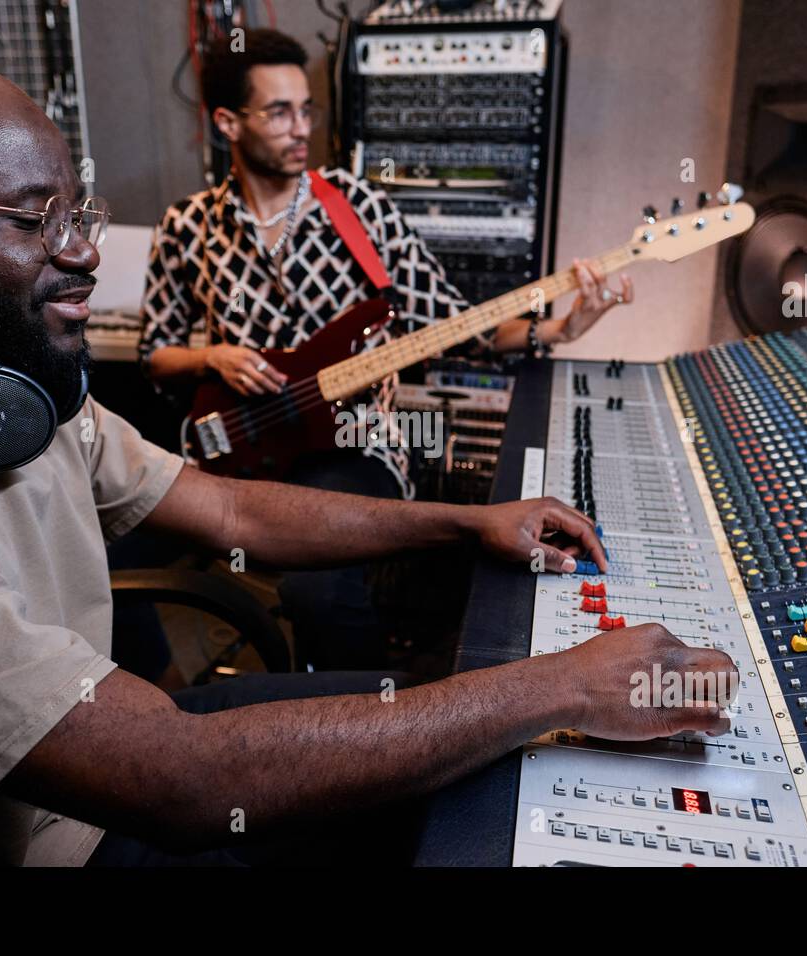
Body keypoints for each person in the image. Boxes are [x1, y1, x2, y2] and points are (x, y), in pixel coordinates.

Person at [0, 60, 734, 867]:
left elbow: (228, 512)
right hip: (78, 826)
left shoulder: (23, 402)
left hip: (132, 744)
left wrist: (462, 520)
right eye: (32, 219)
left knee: (474, 756)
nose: (82, 253)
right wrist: (565, 686)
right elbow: (185, 781)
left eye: (75, 213)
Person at [142, 28, 635, 668]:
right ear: (228, 123)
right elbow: (155, 353)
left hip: (352, 442)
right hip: (237, 449)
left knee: (317, 590)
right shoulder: (186, 226)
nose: (301, 128)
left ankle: (364, 730)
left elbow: (471, 330)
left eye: (307, 109)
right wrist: (211, 357)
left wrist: (562, 327)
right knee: (107, 540)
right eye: (280, 111)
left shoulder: (361, 208)